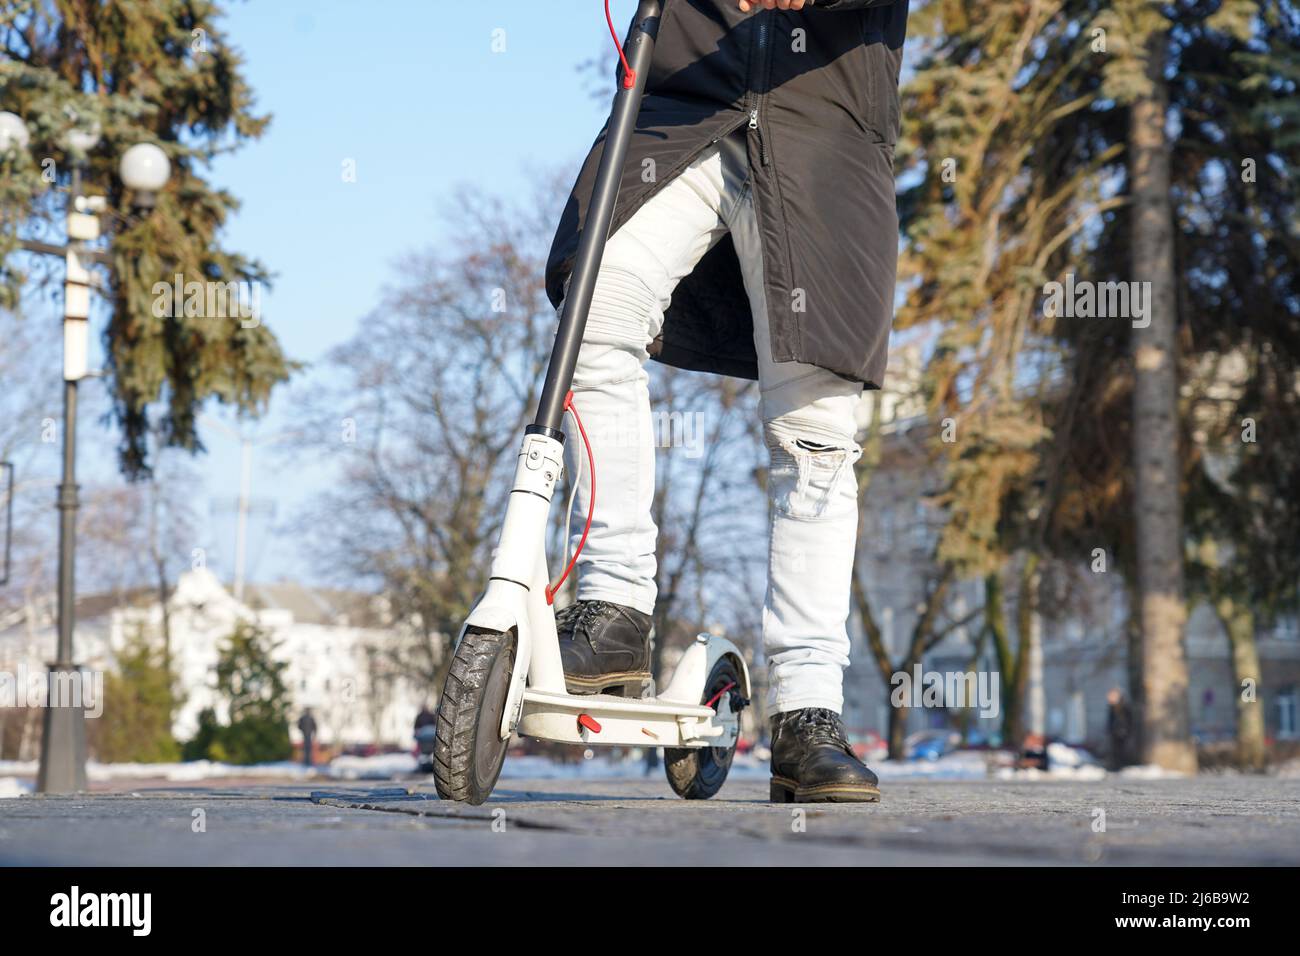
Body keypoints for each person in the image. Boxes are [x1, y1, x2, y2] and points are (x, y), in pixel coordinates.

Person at [547, 0, 909, 803]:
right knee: (592, 312)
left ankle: (808, 712)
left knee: (814, 430)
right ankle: (612, 603)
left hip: (828, 123)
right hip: (680, 106)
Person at [1106, 687, 1133, 772]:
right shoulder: (1112, 708)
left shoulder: (1124, 707)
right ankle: (1115, 766)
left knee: (1122, 750)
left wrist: (1126, 730)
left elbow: (1129, 720)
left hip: (1123, 732)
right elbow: (1110, 720)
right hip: (1114, 733)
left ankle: (1121, 766)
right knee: (1114, 750)